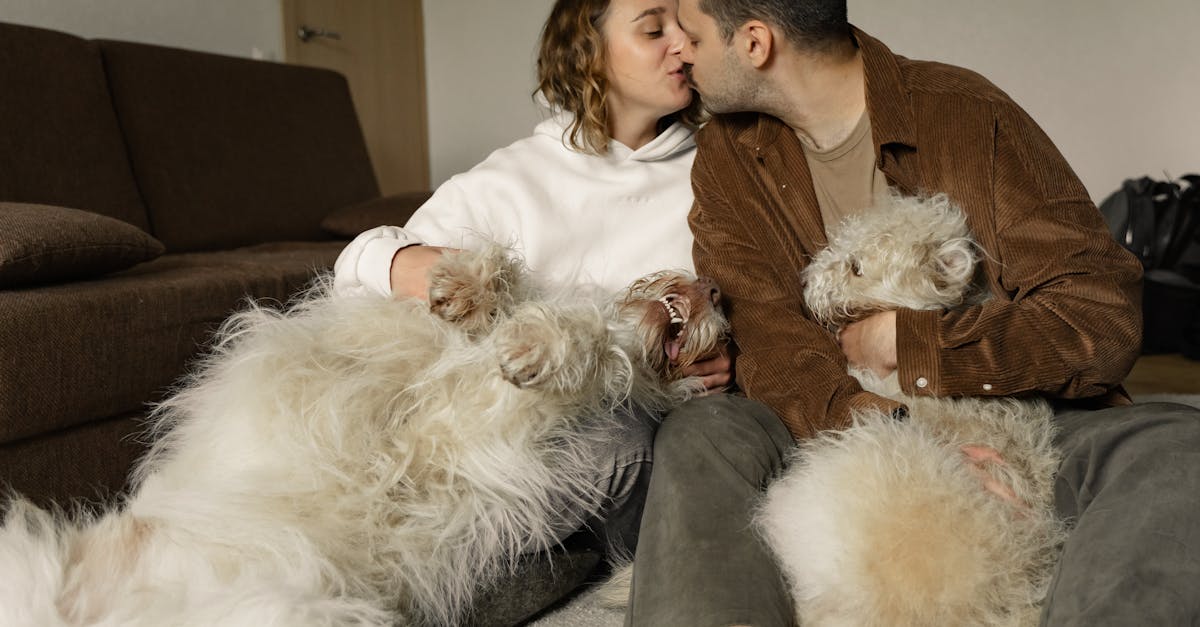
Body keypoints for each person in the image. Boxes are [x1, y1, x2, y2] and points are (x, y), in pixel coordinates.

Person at [626, 0, 1200, 625]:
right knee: (699, 436)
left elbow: (1100, 317)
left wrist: (914, 341)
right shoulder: (728, 157)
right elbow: (769, 338)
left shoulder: (967, 113)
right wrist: (894, 426)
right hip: (817, 412)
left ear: (756, 43)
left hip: (1018, 413)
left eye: (693, 32)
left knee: (1175, 442)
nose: (679, 49)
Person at [333, 0, 749, 577]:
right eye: (654, 29)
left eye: (684, 26)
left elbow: (753, 301)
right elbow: (357, 270)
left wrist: (727, 355)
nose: (682, 44)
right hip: (498, 431)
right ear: (590, 54)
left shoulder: (716, 175)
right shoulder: (515, 177)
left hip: (625, 436)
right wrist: (413, 262)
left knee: (622, 443)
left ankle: (413, 575)